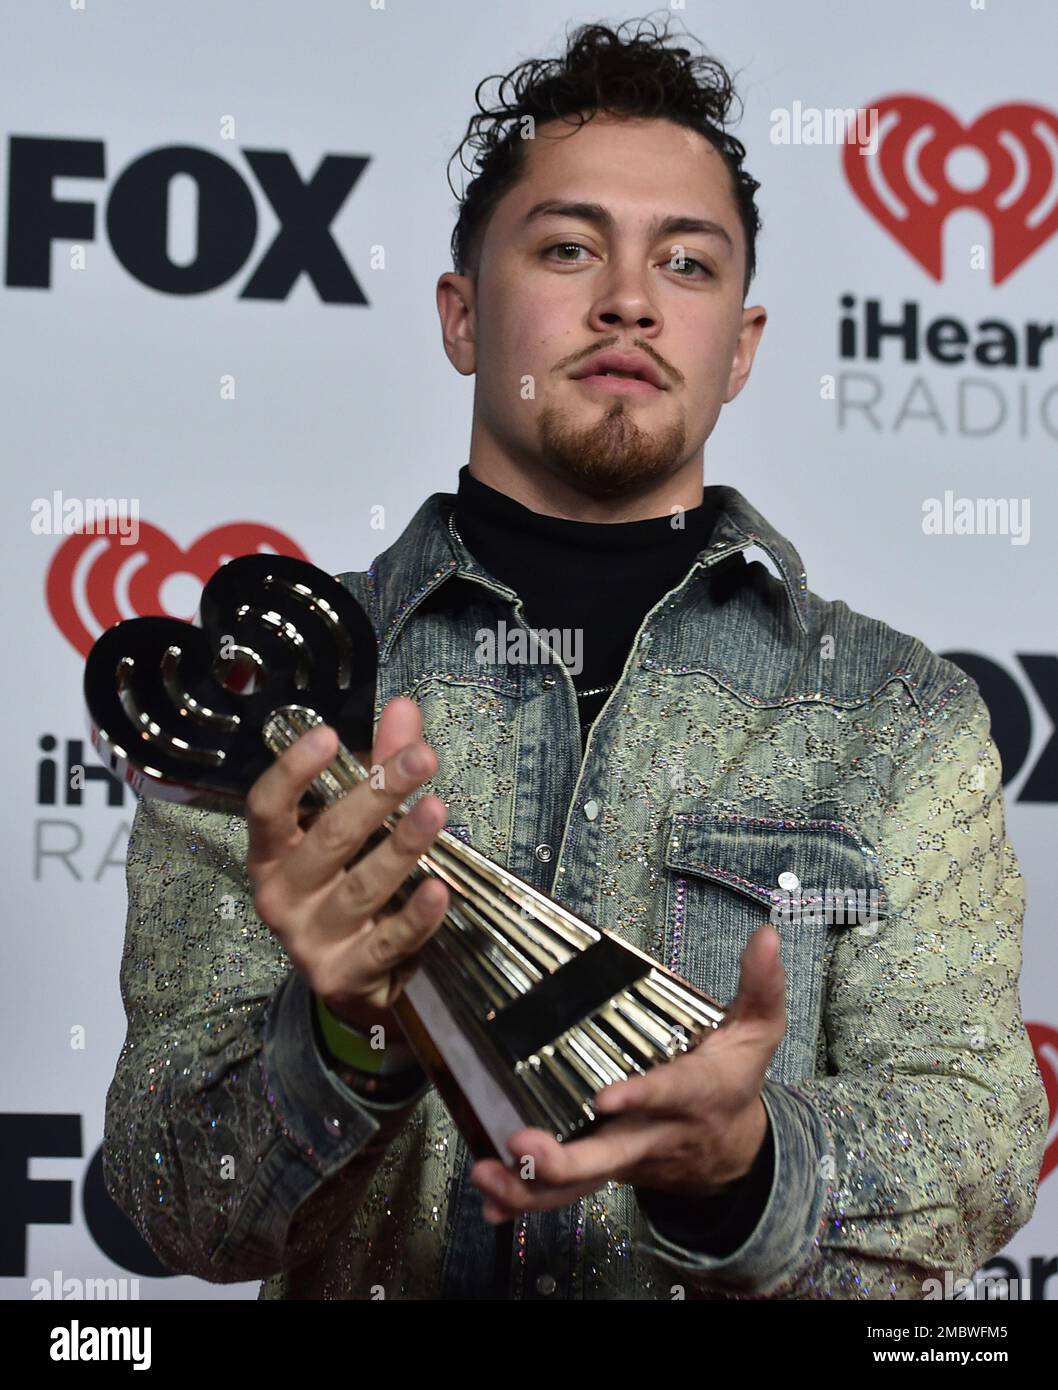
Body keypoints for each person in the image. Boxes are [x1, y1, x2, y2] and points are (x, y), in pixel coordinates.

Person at [103, 16, 1047, 1300]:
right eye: (565, 247)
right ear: (459, 317)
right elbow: (172, 1203)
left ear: (742, 345)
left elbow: (983, 1141)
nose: (628, 298)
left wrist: (750, 1162)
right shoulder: (282, 702)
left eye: (686, 263)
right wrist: (341, 1028)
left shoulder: (899, 716)